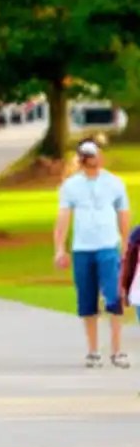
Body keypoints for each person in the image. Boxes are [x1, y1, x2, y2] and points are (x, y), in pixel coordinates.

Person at [54, 138, 130, 368]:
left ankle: (117, 351)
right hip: (82, 249)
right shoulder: (71, 186)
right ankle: (93, 351)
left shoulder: (114, 183)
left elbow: (123, 213)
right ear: (81, 159)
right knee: (87, 300)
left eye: (94, 155)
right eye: (87, 157)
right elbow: (63, 217)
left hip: (108, 246)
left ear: (100, 156)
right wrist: (59, 248)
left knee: (114, 298)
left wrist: (126, 244)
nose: (92, 161)